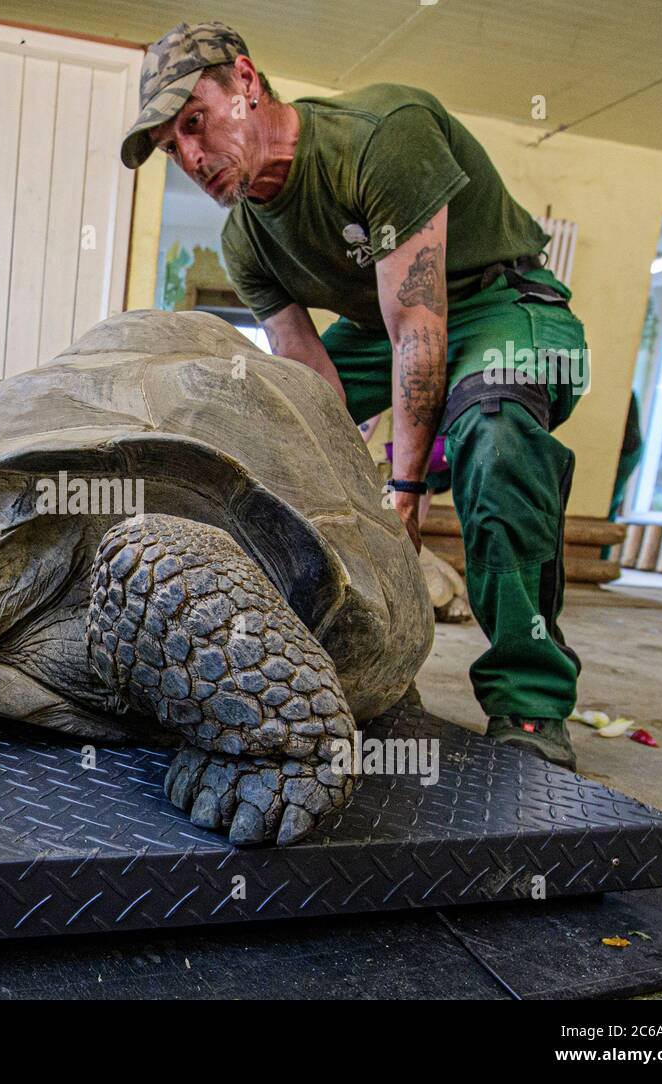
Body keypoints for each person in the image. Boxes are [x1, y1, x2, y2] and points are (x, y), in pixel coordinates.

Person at [120, 22, 589, 768]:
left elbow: (419, 326)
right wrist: (345, 486)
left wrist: (403, 488)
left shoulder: (381, 137)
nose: (193, 159)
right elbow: (311, 376)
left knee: (493, 435)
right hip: (390, 322)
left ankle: (529, 699)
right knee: (261, 410)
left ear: (245, 80)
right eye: (174, 150)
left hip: (497, 302)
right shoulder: (246, 240)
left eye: (194, 124)